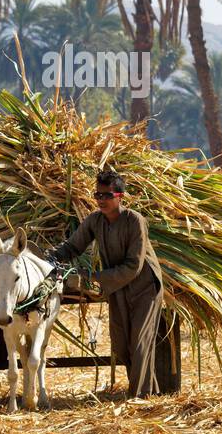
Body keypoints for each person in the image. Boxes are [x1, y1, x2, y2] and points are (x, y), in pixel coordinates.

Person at [45, 169, 164, 397]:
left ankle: (140, 396)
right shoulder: (95, 220)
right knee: (121, 344)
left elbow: (133, 266)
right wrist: (49, 258)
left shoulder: (135, 221)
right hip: (117, 287)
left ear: (120, 196)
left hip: (144, 287)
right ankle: (149, 390)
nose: (101, 200)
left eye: (107, 196)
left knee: (139, 342)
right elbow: (73, 247)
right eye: (97, 195)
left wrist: (92, 277)